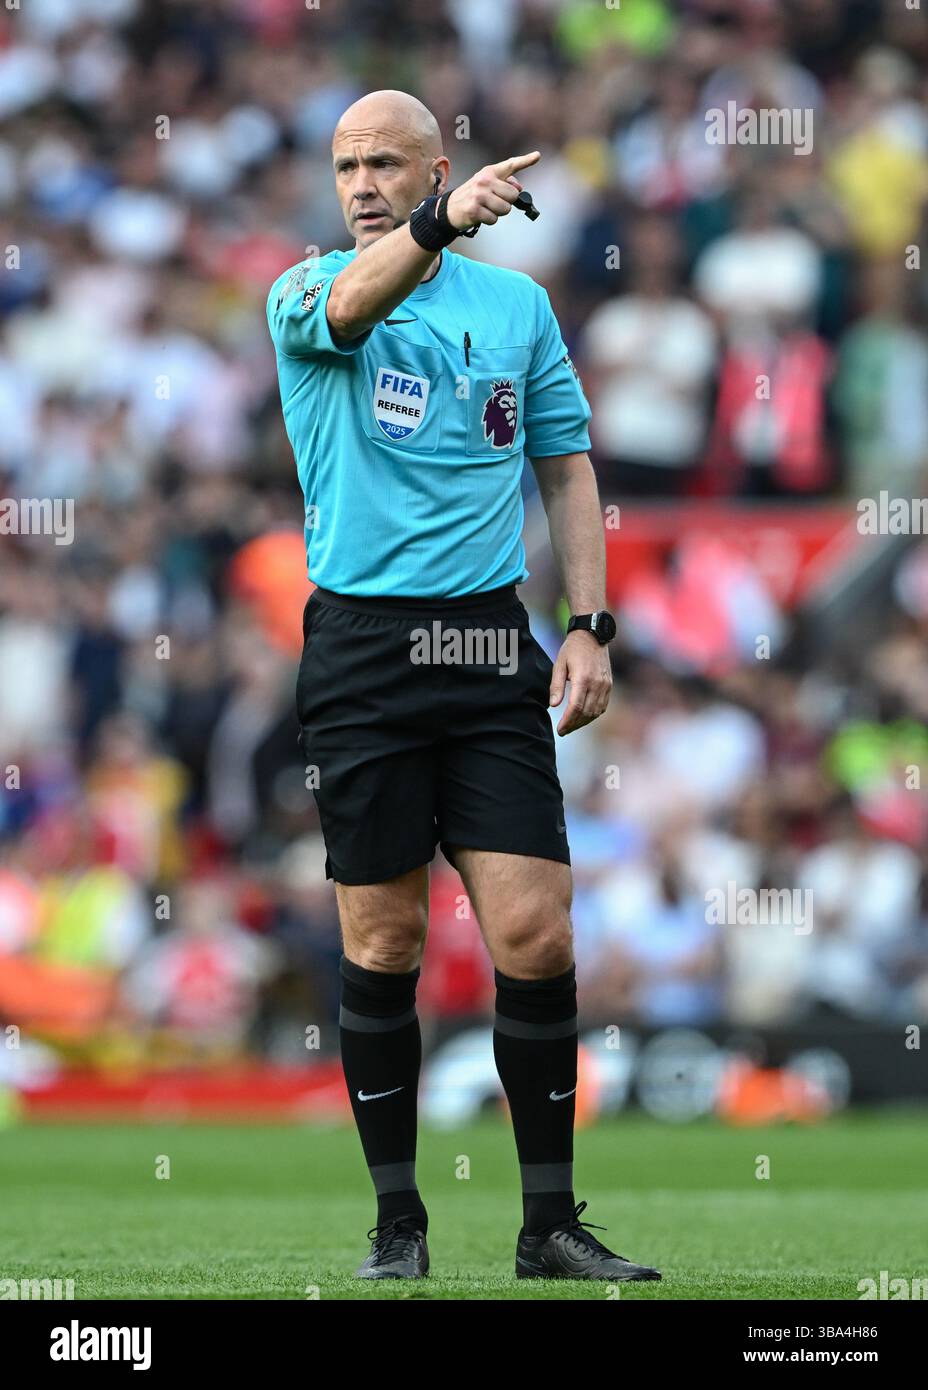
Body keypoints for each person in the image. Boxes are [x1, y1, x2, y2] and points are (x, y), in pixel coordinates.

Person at [267, 89, 659, 1284]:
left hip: (489, 644)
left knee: (535, 932)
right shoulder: (305, 291)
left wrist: (590, 625)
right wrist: (437, 226)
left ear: (433, 165)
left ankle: (547, 1222)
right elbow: (356, 296)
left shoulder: (517, 308)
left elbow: (566, 466)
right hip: (362, 651)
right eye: (345, 164)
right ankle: (400, 1221)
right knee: (382, 938)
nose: (362, 182)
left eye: (386, 161)